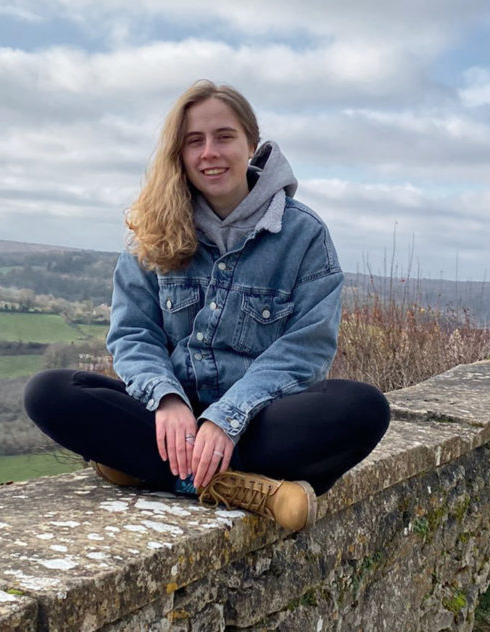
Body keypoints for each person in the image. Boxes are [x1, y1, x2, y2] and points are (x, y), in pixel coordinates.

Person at [24, 80, 390, 533]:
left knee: (364, 408)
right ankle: (242, 486)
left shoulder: (304, 235)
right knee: (49, 393)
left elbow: (305, 350)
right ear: (179, 154)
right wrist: (167, 398)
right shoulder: (154, 228)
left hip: (259, 421)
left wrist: (227, 418)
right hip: (167, 423)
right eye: (194, 141)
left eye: (224, 137)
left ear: (251, 144)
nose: (209, 152)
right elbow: (133, 332)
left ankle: (150, 470)